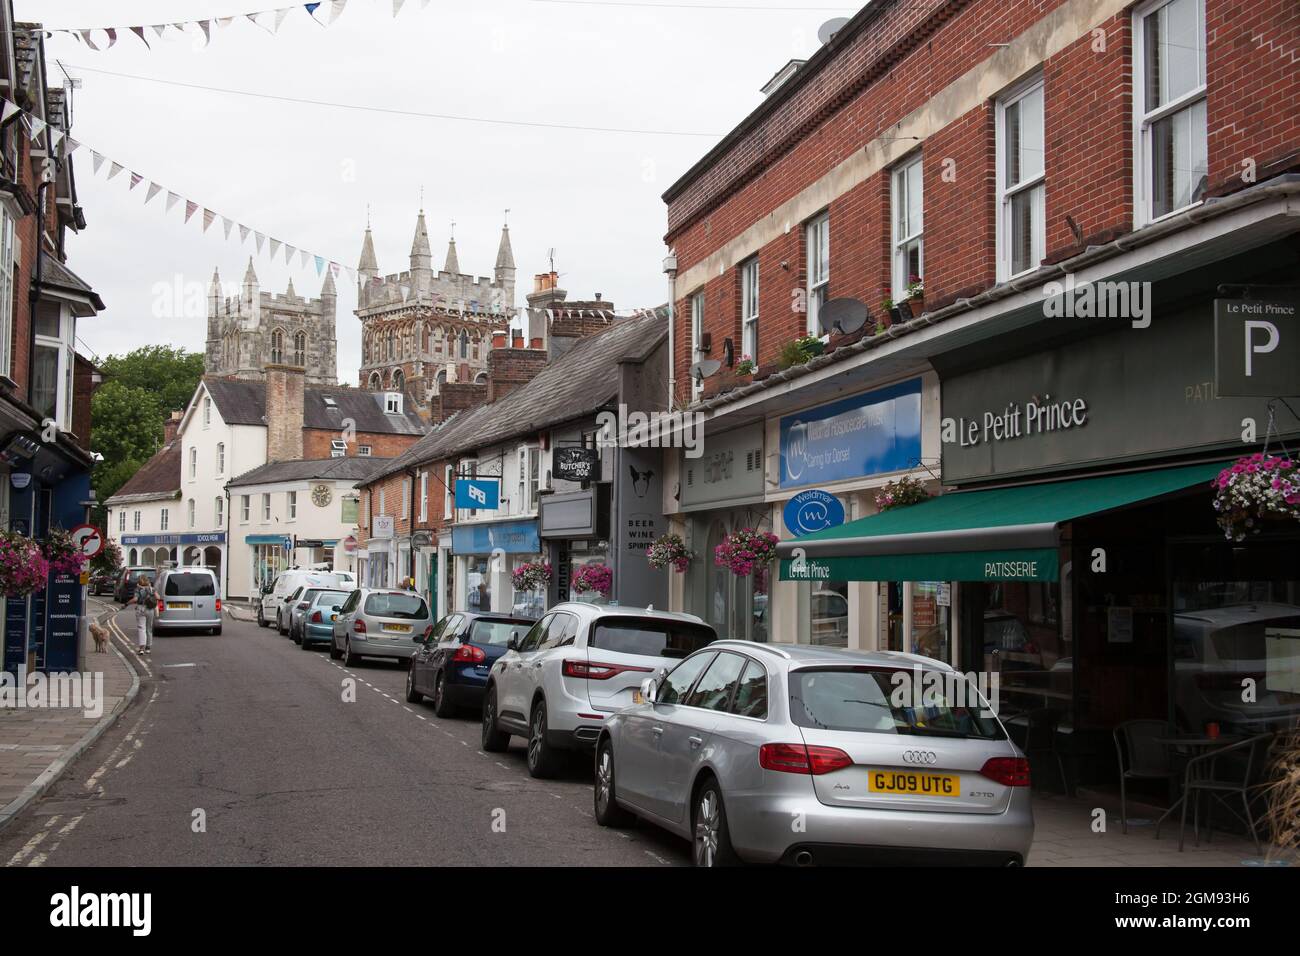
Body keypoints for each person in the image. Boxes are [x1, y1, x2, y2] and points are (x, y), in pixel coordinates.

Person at [128, 574, 158, 655]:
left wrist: (126, 604)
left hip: (141, 609)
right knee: (149, 628)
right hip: (150, 609)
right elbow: (158, 597)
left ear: (139, 581)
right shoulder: (152, 589)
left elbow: (135, 599)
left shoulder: (138, 589)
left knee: (142, 628)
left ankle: (141, 649)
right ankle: (148, 648)